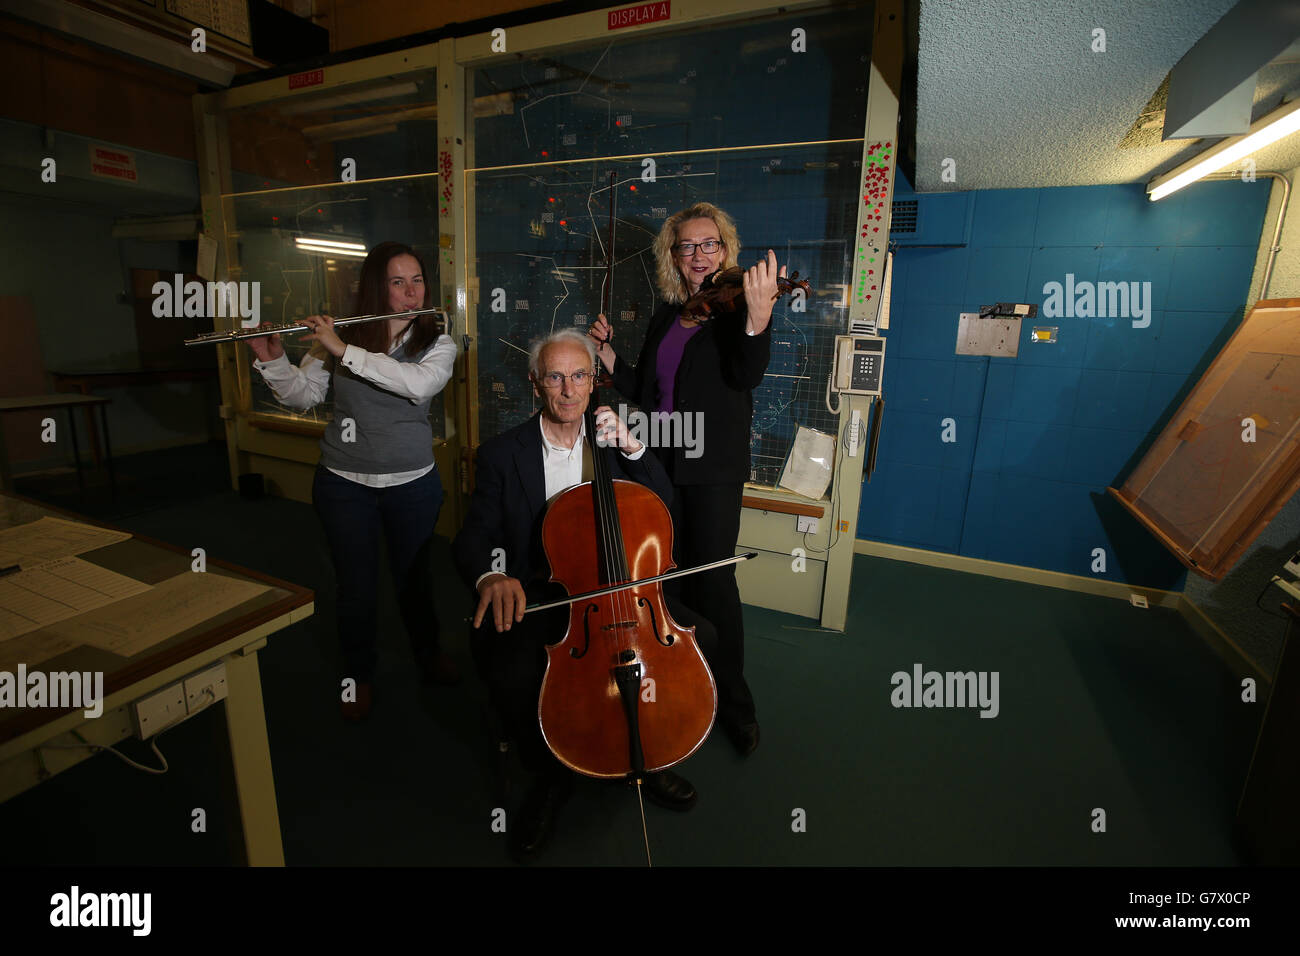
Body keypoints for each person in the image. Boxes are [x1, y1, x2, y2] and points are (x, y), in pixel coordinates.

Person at [453, 328, 717, 862]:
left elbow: (663, 505)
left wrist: (634, 446)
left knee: (702, 635)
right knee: (511, 672)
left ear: (595, 383)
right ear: (535, 386)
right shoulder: (502, 455)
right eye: (555, 377)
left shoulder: (613, 444)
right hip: (540, 596)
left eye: (580, 376)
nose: (569, 390)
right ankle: (551, 776)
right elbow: (472, 536)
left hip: (619, 591)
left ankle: (650, 758)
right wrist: (489, 576)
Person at [588, 202, 786, 757]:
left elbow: (748, 373)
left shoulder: (736, 311)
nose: (698, 256)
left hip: (712, 471)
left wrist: (759, 316)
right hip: (660, 462)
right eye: (686, 246)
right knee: (665, 583)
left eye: (709, 244)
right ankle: (678, 680)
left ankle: (735, 703)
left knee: (714, 586)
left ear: (726, 250)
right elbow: (647, 396)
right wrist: (607, 357)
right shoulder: (664, 317)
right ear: (671, 257)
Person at [247, 241, 458, 721]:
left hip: (412, 483)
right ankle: (359, 675)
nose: (410, 292)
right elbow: (303, 396)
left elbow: (417, 384)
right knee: (355, 587)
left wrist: (342, 348)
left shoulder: (438, 342)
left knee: (415, 582)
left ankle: (429, 656)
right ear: (376, 290)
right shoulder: (344, 335)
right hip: (344, 483)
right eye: (397, 283)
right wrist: (273, 360)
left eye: (417, 281)